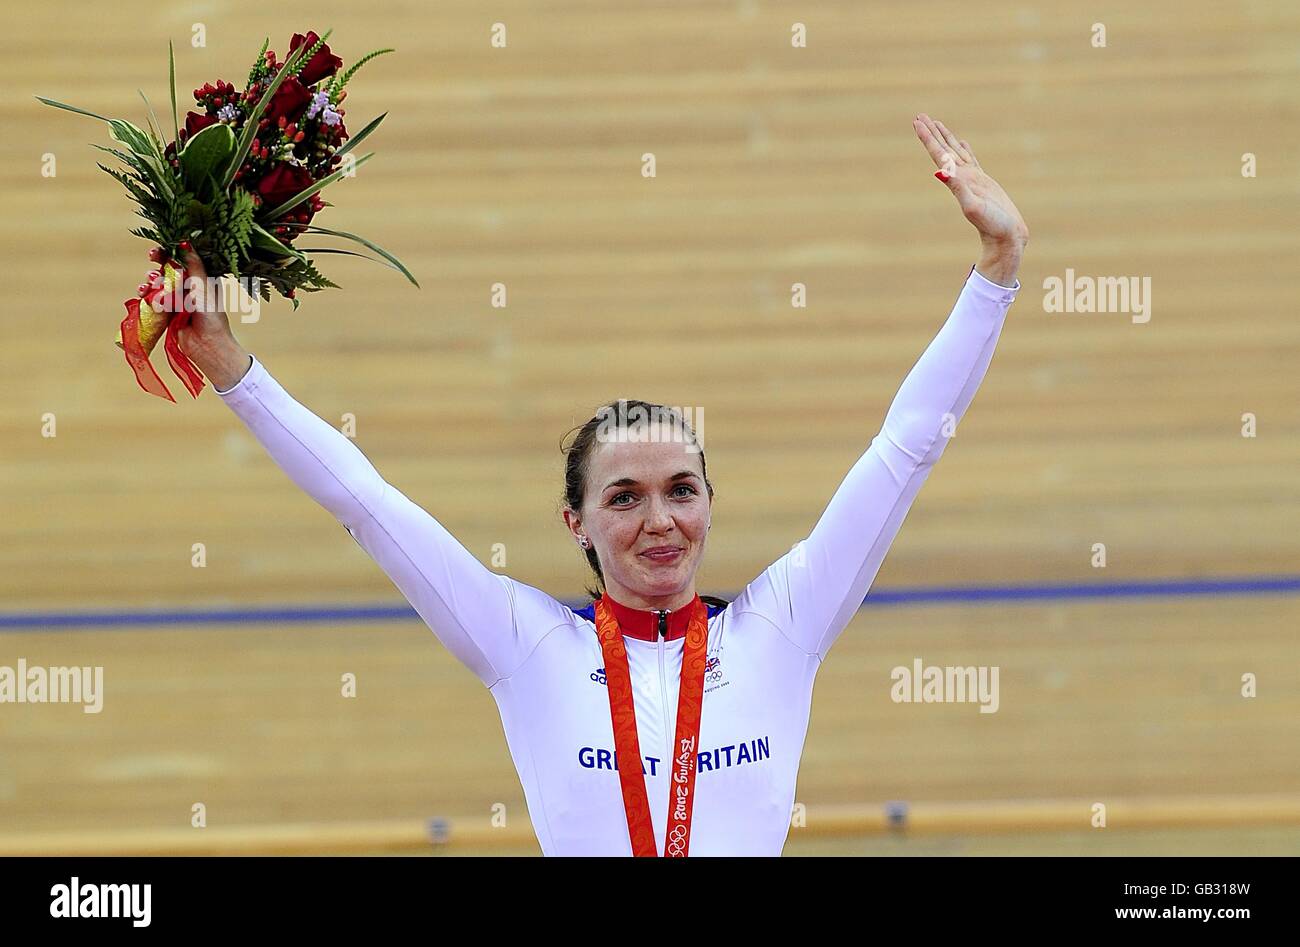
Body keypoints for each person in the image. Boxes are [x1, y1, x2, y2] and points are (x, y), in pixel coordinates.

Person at [169, 114, 1028, 856]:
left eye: (681, 490)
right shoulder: (525, 644)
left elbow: (905, 448)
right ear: (574, 521)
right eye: (624, 497)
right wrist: (230, 369)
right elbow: (364, 500)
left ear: (709, 504)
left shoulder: (784, 623)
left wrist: (999, 264)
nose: (660, 520)